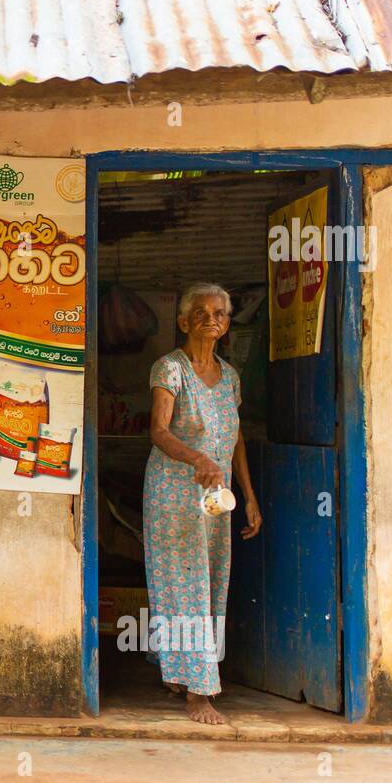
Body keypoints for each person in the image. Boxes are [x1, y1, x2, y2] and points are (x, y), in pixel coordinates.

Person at [143, 283, 262, 724]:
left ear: (227, 324)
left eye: (219, 313)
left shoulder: (230, 376)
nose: (211, 318)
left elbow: (235, 440)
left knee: (211, 584)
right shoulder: (170, 369)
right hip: (173, 492)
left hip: (215, 497)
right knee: (182, 586)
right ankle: (198, 691)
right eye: (201, 312)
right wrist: (197, 458)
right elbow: (158, 431)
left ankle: (182, 670)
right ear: (184, 322)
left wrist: (249, 496)